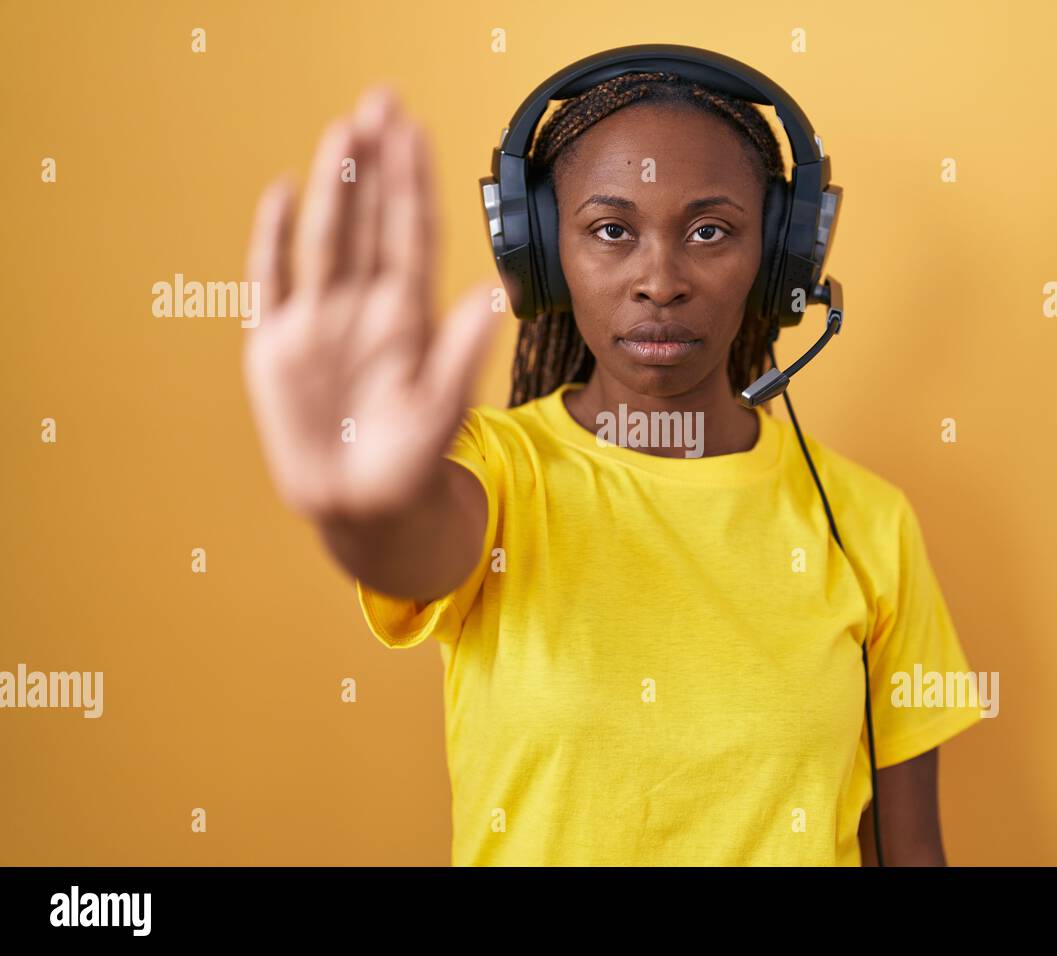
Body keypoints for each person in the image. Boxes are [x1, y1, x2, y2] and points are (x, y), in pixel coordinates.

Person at [242, 73, 984, 866]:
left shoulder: (867, 522)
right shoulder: (495, 471)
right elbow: (415, 540)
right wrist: (365, 512)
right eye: (610, 231)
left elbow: (911, 854)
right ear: (543, 254)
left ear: (779, 257)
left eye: (709, 232)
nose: (659, 281)